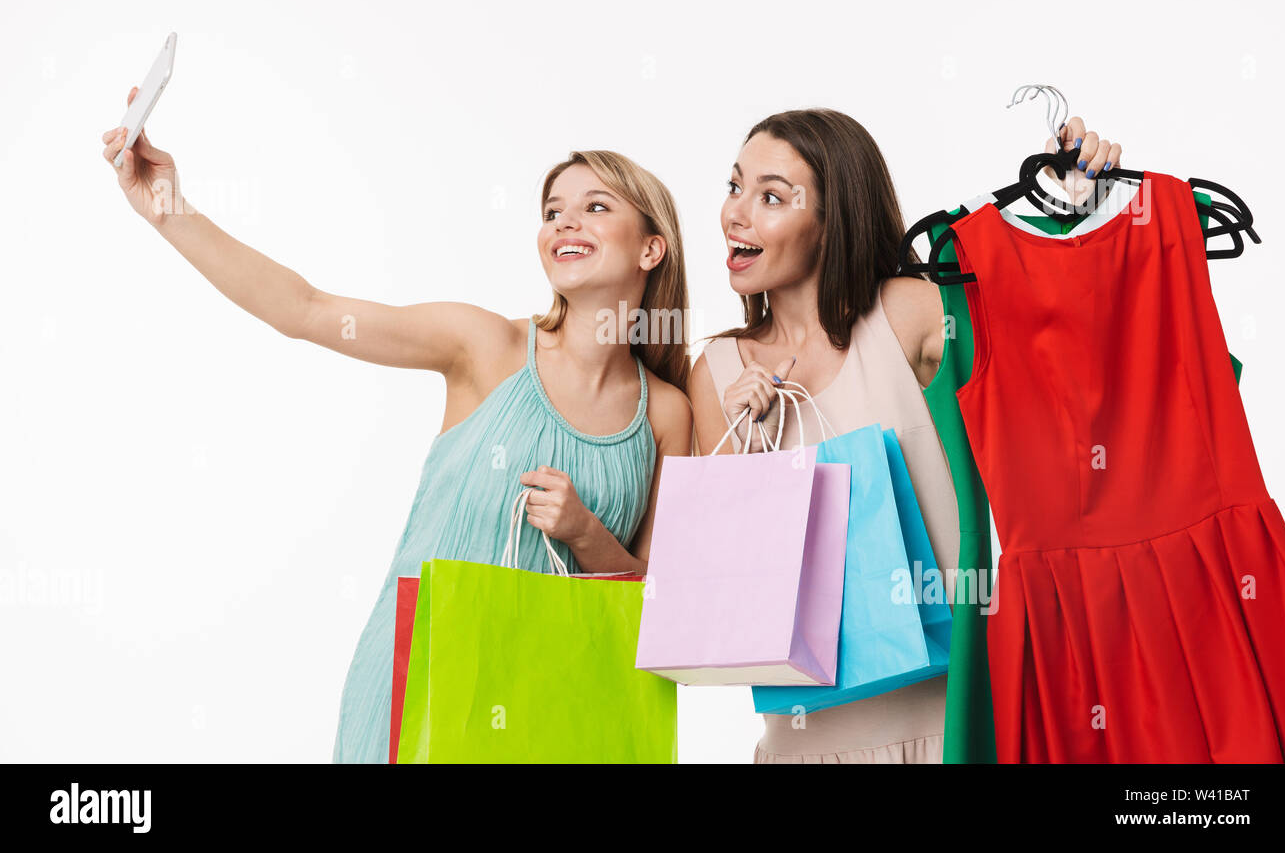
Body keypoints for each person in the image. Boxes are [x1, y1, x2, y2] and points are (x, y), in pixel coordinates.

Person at [101, 88, 694, 763]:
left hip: (563, 715)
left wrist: (587, 532)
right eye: (552, 211)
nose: (564, 223)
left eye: (595, 207)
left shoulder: (667, 415)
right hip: (425, 688)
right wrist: (168, 210)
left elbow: (664, 606)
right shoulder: (484, 346)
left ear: (652, 249)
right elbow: (305, 310)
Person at [688, 107, 1121, 763]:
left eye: (771, 196)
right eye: (734, 187)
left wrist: (1080, 218)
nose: (736, 214)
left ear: (835, 221)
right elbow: (720, 590)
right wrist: (753, 459)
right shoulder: (717, 372)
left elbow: (1070, 363)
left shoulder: (908, 313)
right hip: (805, 747)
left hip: (953, 730)